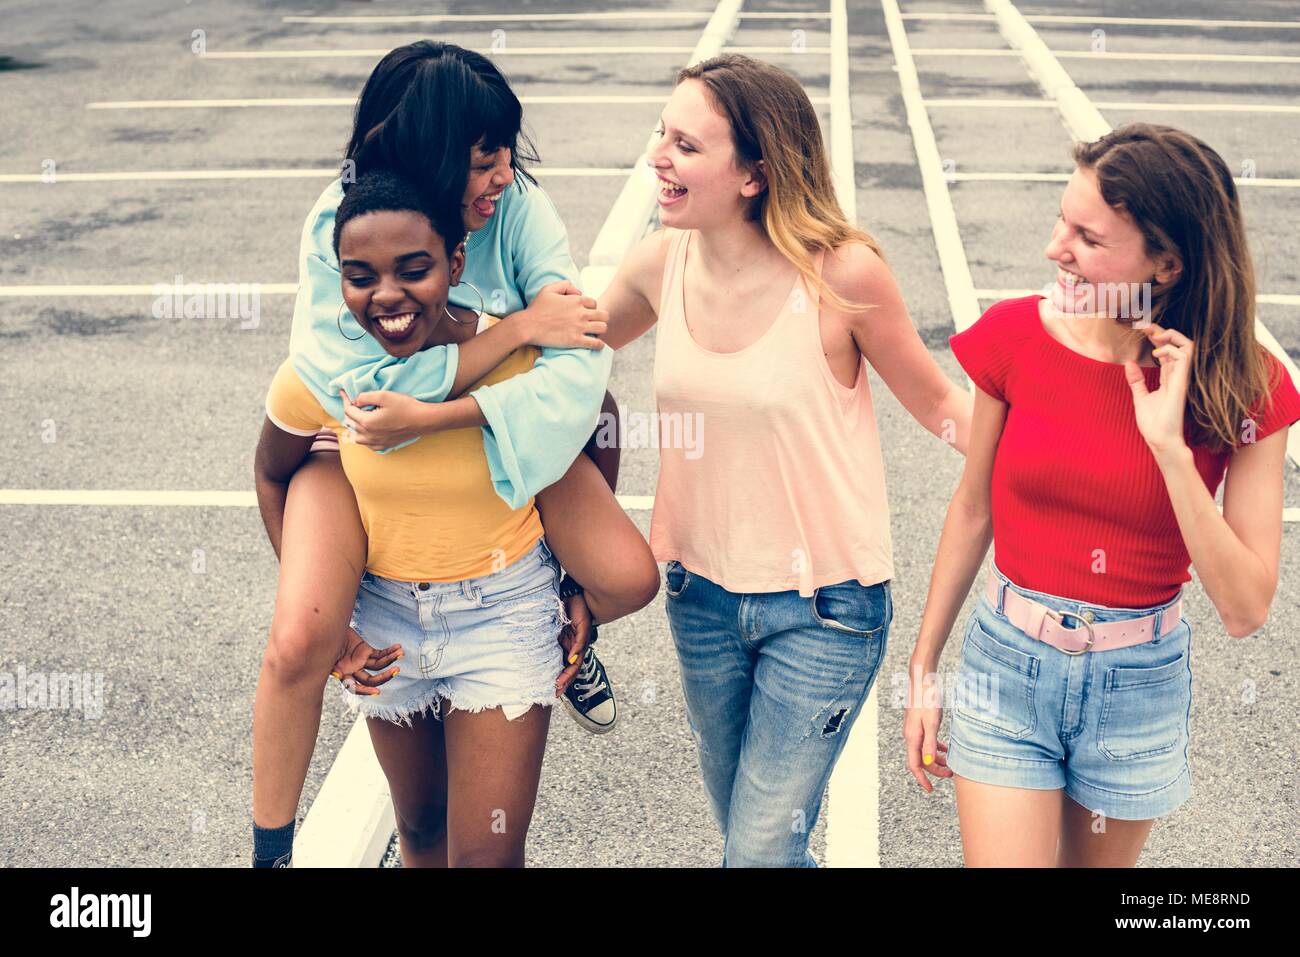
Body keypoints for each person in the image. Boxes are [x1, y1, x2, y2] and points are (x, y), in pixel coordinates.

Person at [250, 41, 659, 869]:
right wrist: (505, 332)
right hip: (376, 517)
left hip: (499, 537)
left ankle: (560, 595)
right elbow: (351, 386)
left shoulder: (519, 208)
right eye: (483, 157)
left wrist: (453, 405)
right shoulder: (344, 218)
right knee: (304, 643)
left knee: (618, 529)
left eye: (507, 151)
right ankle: (269, 850)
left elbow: (581, 367)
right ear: (431, 154)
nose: (504, 174)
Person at [591, 53, 975, 866]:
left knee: (757, 852)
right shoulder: (663, 263)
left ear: (755, 174)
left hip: (824, 609)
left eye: (687, 146)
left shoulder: (842, 273)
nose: (659, 156)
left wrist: (1069, 442)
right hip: (699, 596)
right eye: (663, 134)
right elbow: (565, 354)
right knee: (757, 843)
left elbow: (942, 407)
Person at [904, 123, 1300, 866]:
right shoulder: (1015, 337)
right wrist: (924, 669)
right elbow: (972, 506)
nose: (1056, 247)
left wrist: (1170, 452)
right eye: (1063, 220)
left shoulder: (1249, 387)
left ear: (1168, 263)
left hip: (1136, 687)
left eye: (1088, 236)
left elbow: (1246, 608)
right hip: (1008, 666)